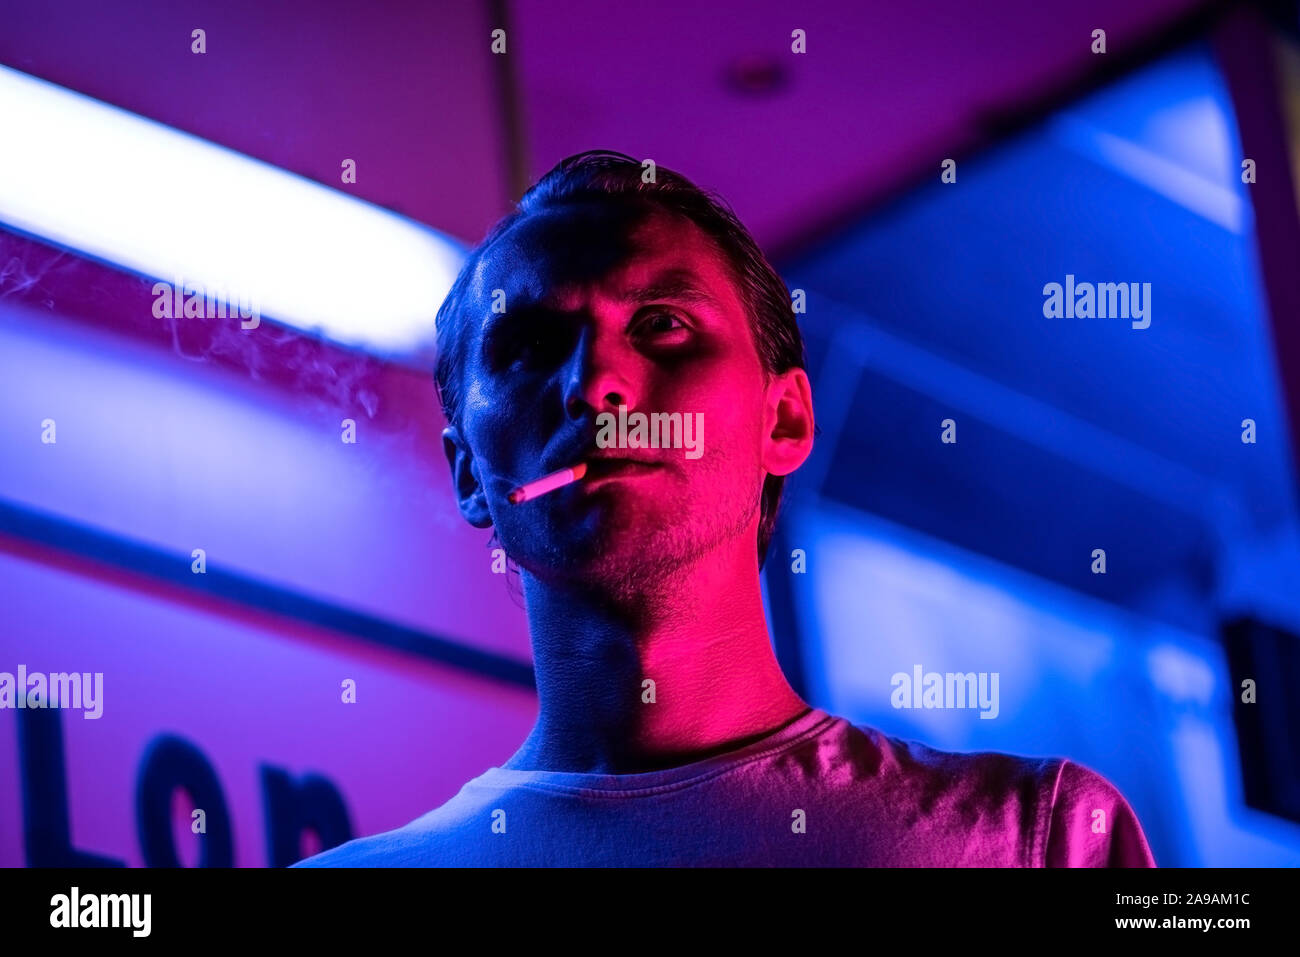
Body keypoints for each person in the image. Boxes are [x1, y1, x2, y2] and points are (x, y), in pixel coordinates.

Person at [294, 150, 1155, 867]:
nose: (595, 385)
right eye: (528, 346)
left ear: (783, 418)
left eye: (664, 323)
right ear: (470, 475)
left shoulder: (1035, 838)